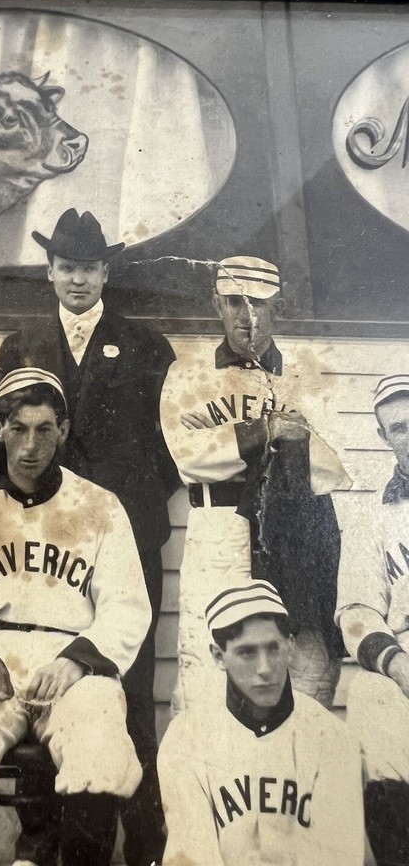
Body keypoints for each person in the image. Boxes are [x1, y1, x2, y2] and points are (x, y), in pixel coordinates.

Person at [0, 208, 177, 866]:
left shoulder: (145, 345)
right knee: (41, 682)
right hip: (44, 545)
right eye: (67, 267)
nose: (78, 279)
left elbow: (173, 447)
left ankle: (143, 847)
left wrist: (128, 505)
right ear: (50, 270)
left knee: (126, 690)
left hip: (122, 546)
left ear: (105, 271)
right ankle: (39, 846)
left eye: (89, 268)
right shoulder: (24, 344)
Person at [0, 368, 150, 866]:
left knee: (99, 745)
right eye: (18, 429)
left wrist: (78, 662)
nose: (30, 445)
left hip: (73, 659)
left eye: (44, 429)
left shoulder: (100, 506)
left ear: (63, 431)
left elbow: (128, 606)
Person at [160, 255, 351, 710]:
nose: (247, 318)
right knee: (205, 660)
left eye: (260, 305)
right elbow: (189, 458)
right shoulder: (188, 374)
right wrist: (264, 432)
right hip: (217, 527)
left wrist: (294, 441)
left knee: (302, 661)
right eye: (234, 303)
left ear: (277, 310)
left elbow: (332, 469)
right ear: (216, 306)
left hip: (292, 530)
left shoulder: (309, 376)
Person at [158, 579, 364, 866]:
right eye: (247, 652)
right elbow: (192, 855)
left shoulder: (331, 738)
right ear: (219, 656)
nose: (265, 668)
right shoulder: (186, 739)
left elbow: (337, 857)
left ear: (290, 646)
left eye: (274, 648)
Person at [336, 373, 409, 866]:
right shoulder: (373, 521)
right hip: (407, 659)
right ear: (384, 439)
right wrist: (398, 663)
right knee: (370, 695)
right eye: (400, 428)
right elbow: (357, 610)